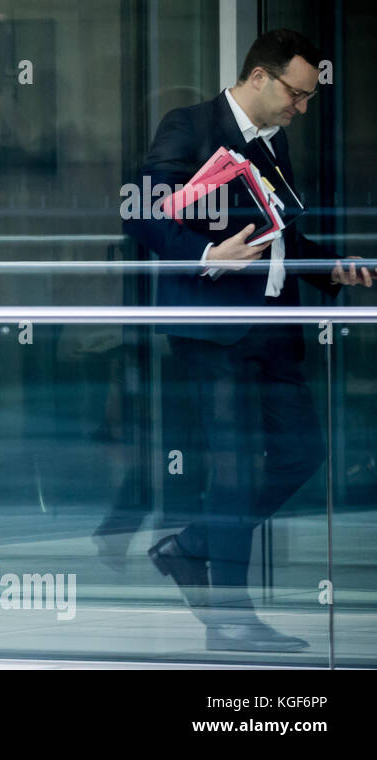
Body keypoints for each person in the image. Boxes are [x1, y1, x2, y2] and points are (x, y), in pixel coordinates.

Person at [124, 29, 372, 652]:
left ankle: (191, 546)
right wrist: (206, 252)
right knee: (234, 475)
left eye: (308, 97)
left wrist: (331, 266)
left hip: (273, 327)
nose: (303, 107)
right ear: (259, 77)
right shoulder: (192, 125)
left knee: (302, 454)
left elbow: (277, 237)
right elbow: (140, 210)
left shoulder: (274, 140)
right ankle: (229, 621)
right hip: (215, 331)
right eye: (297, 93)